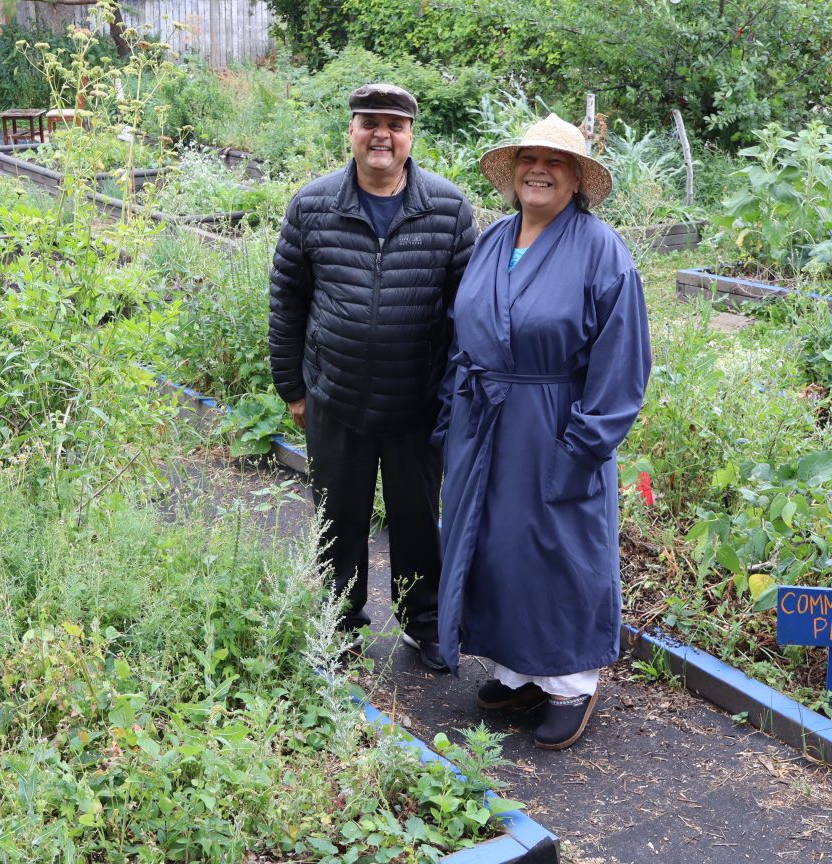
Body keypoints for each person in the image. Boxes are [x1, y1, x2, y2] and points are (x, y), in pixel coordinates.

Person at [435, 114, 651, 748]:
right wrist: (453, 414)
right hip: (487, 424)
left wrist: (583, 445)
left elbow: (621, 361)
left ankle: (568, 684)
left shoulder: (600, 249)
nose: (539, 170)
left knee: (558, 550)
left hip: (555, 422)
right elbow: (463, 334)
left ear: (577, 178)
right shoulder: (495, 238)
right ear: (512, 174)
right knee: (500, 546)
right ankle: (518, 669)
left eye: (555, 162)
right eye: (529, 158)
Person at [270, 83, 476, 672]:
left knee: (417, 520)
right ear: (352, 131)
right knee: (339, 515)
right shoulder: (312, 206)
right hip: (336, 399)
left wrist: (453, 395)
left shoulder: (448, 208)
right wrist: (293, 388)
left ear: (411, 135)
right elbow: (288, 300)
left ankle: (425, 621)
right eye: (369, 123)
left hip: (416, 402)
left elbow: (469, 311)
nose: (380, 135)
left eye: (394, 124)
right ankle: (341, 622)